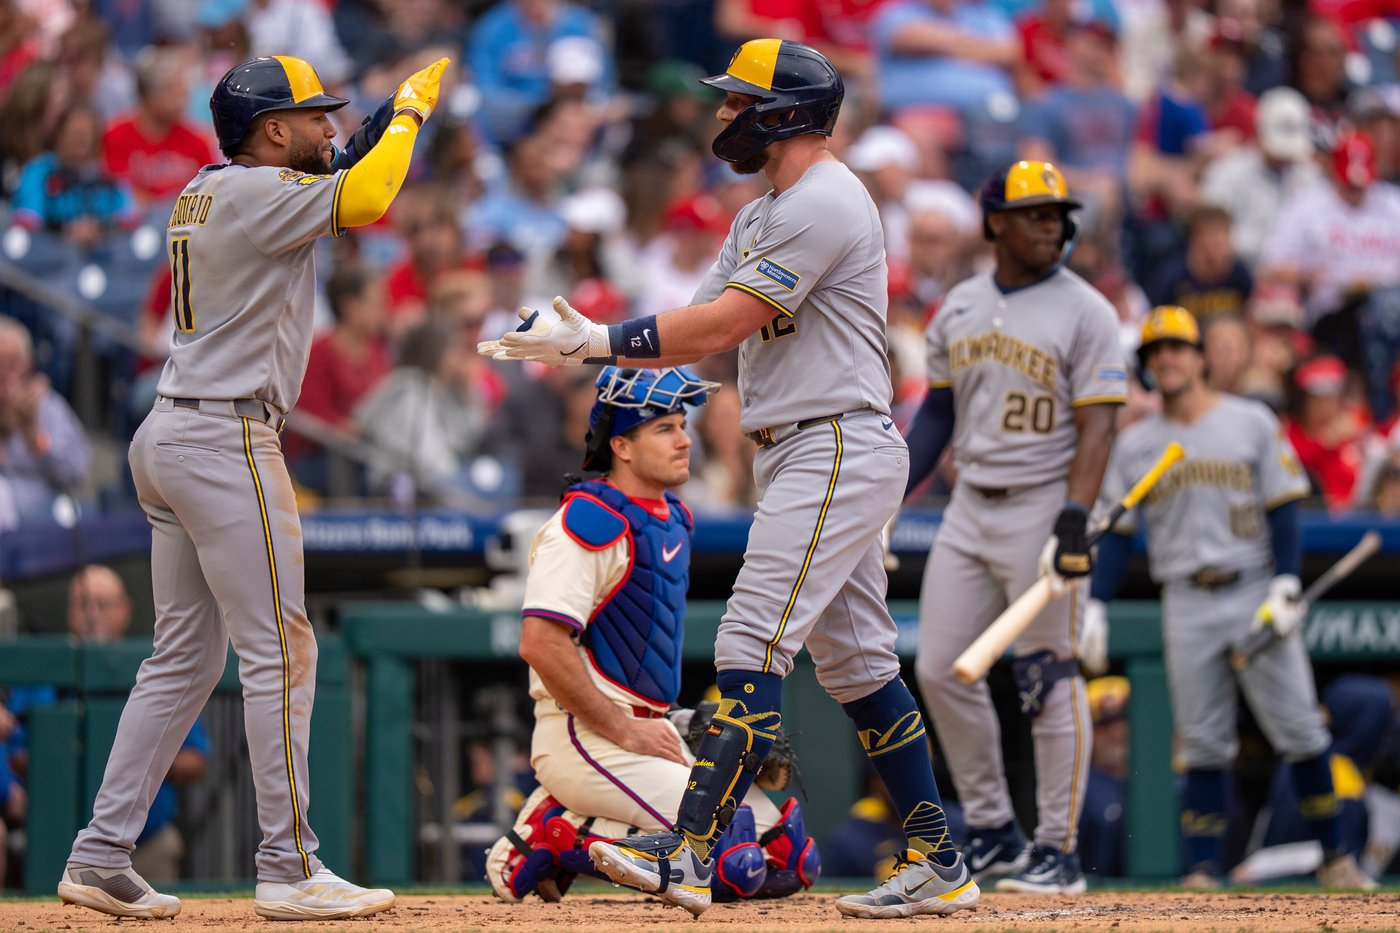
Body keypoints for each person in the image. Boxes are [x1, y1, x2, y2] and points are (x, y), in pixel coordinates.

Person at [480, 38, 977, 920]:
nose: (722, 114)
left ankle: (693, 852)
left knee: (750, 641)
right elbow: (691, 331)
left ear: (785, 111)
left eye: (737, 100)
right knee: (859, 662)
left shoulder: (827, 199)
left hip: (835, 438)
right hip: (795, 445)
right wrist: (581, 337)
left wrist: (593, 340)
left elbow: (722, 326)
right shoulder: (762, 214)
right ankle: (941, 859)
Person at [55, 53, 450, 921]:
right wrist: (412, 117)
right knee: (281, 647)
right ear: (272, 130)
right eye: (313, 117)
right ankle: (288, 862)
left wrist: (369, 133)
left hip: (173, 430)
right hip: (226, 435)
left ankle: (100, 852)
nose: (328, 129)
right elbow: (370, 197)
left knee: (184, 659)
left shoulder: (215, 187)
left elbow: (338, 178)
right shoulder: (261, 193)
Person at [483, 366, 820, 904]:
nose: (685, 439)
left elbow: (635, 649)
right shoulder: (587, 522)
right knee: (732, 864)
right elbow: (540, 643)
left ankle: (573, 820)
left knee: (790, 857)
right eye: (664, 428)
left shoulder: (672, 518)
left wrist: (678, 722)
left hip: (648, 732)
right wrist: (625, 728)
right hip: (586, 738)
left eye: (683, 424)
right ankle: (553, 833)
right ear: (622, 445)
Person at [1086, 305, 1376, 890]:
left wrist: (1286, 580)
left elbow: (1285, 506)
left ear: (1199, 357)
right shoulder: (1137, 443)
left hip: (1250, 588)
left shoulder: (1248, 421)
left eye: (1177, 348)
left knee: (1299, 728)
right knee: (1202, 740)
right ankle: (1202, 869)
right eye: (1155, 353)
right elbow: (1116, 535)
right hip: (1185, 596)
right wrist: (1095, 601)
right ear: (1147, 367)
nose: (1167, 359)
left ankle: (1337, 858)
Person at [902, 160, 1126, 895]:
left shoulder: (1087, 309)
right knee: (937, 665)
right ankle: (995, 830)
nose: (1050, 224)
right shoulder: (960, 304)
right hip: (969, 505)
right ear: (993, 221)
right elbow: (937, 412)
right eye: (1033, 213)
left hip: (1043, 499)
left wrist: (1074, 517)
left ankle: (1057, 850)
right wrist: (892, 493)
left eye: (1058, 214)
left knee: (1047, 674)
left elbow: (1098, 427)